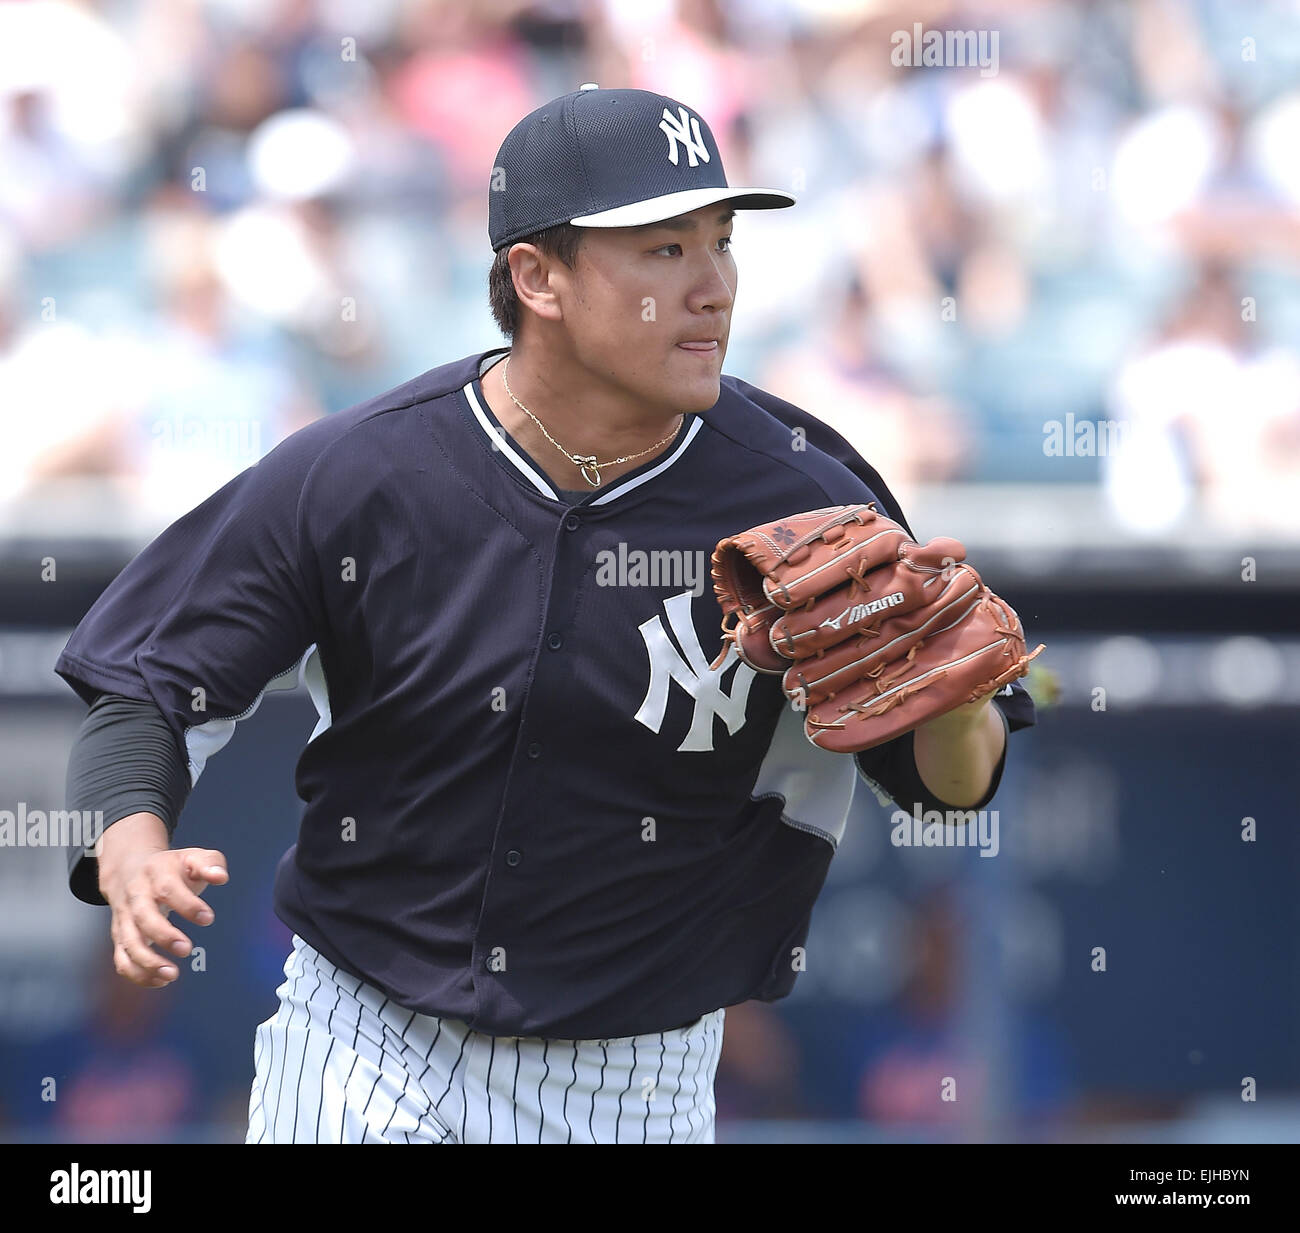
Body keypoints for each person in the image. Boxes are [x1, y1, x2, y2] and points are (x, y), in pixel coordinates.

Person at [57, 85, 1036, 1144]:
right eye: (662, 251)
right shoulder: (363, 472)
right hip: (361, 1046)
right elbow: (147, 683)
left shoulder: (801, 496)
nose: (713, 289)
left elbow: (949, 789)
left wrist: (957, 700)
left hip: (639, 1081)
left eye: (721, 242)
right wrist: (130, 839)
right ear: (537, 277)